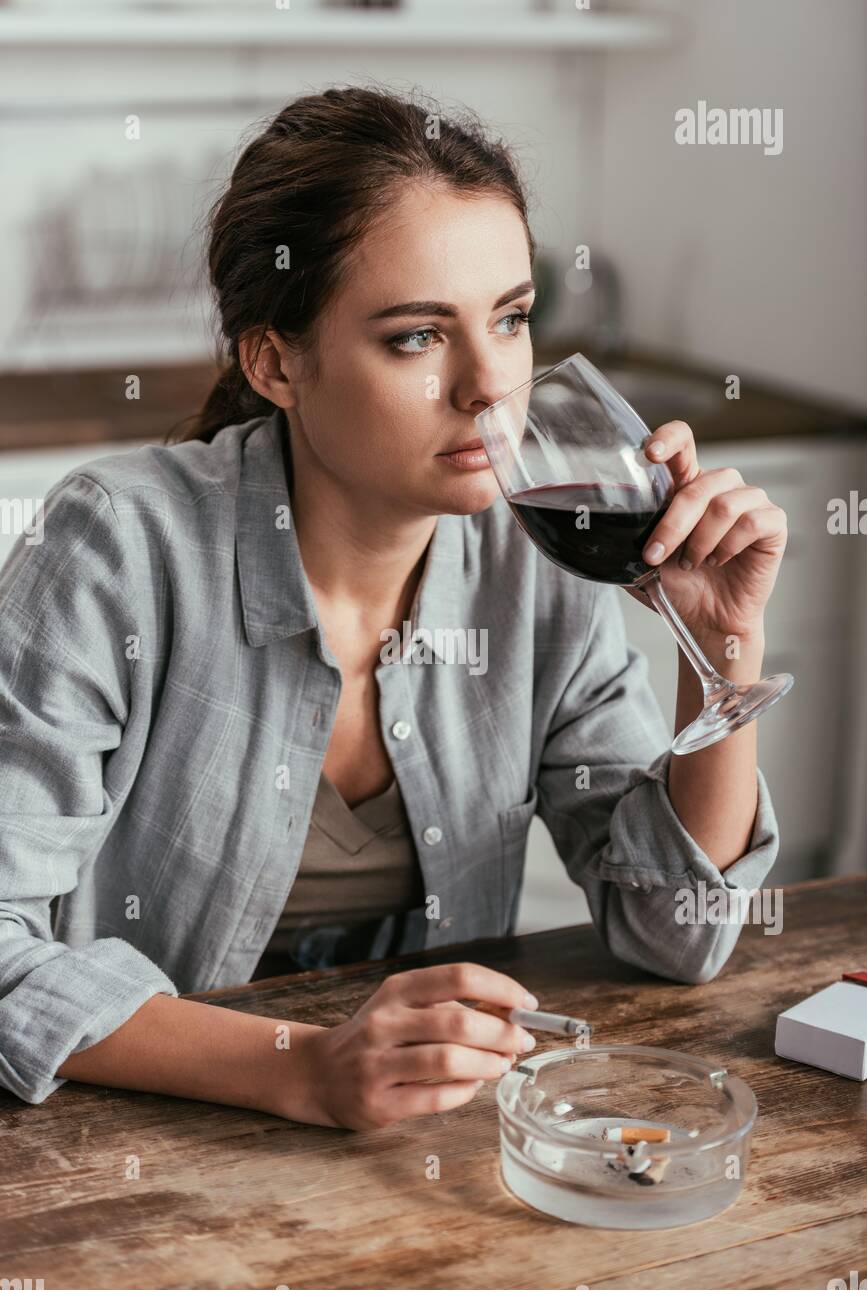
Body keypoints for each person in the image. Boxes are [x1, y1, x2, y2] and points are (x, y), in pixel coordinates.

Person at [0, 85, 785, 1131]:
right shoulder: (119, 546)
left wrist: (719, 651)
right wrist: (307, 1067)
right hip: (128, 1141)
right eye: (417, 337)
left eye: (510, 319)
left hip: (426, 1151)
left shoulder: (536, 560)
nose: (489, 386)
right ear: (276, 360)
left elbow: (676, 933)